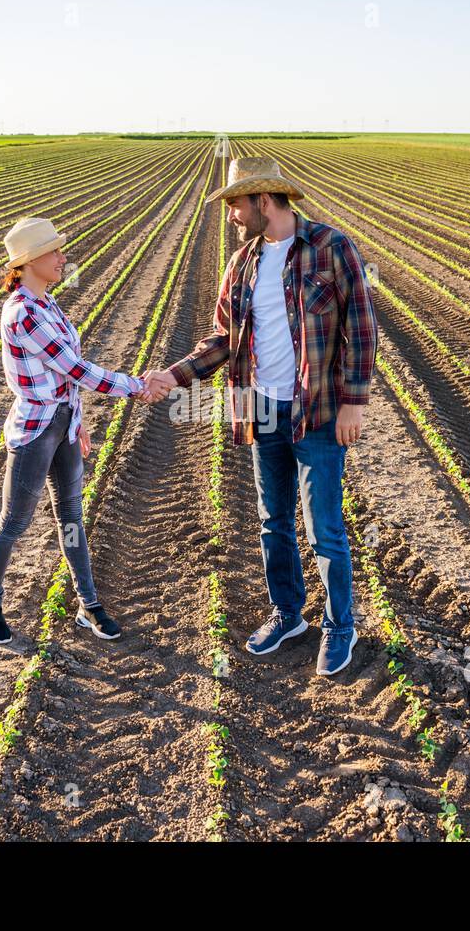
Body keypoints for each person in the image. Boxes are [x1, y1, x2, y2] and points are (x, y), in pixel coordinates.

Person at [143, 157, 379, 676]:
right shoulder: (242, 264)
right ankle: (289, 614)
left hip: (316, 410)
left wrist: (353, 402)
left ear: (263, 201)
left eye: (234, 204)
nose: (230, 214)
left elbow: (361, 324)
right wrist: (174, 375)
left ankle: (341, 625)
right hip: (261, 408)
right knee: (274, 522)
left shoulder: (330, 247)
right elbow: (223, 340)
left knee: (326, 528)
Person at [0, 216, 167, 647]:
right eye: (54, 251)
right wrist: (137, 386)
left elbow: (66, 378)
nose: (63, 258)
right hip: (35, 432)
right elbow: (75, 369)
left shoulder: (47, 303)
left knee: (72, 518)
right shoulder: (23, 312)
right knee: (14, 521)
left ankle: (88, 603)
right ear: (27, 262)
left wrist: (77, 423)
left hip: (62, 426)